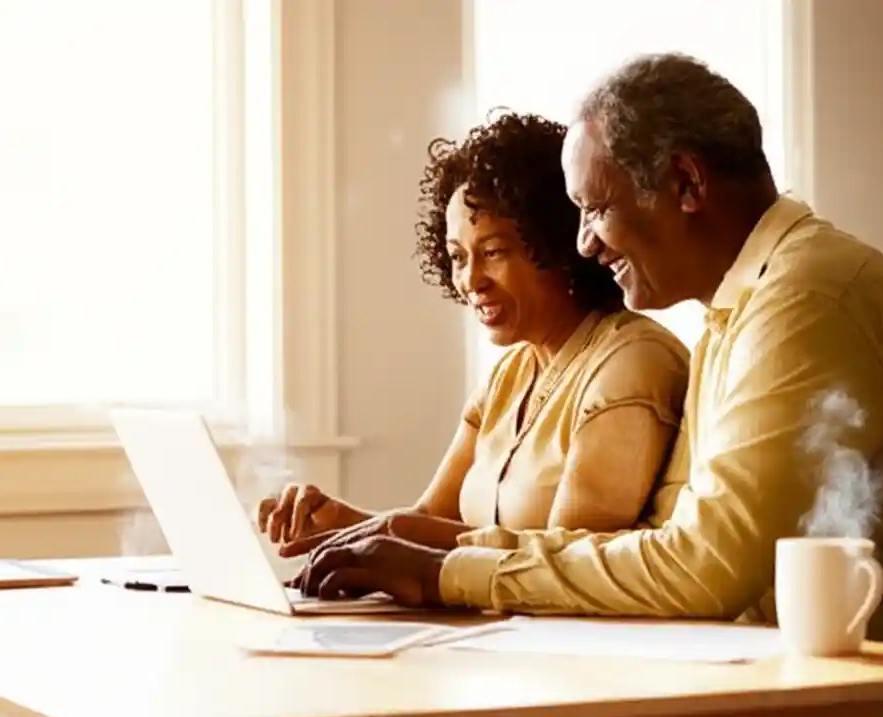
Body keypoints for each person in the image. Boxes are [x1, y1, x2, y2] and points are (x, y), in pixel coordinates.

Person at [284, 55, 883, 717]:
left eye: (596, 209)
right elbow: (668, 538)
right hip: (841, 684)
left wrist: (444, 571)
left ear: (687, 184)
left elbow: (702, 569)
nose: (586, 244)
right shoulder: (743, 309)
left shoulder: (806, 299)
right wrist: (445, 553)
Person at [258, 110, 690, 552]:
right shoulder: (511, 374)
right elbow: (428, 520)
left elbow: (567, 556)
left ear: (557, 244)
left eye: (494, 251)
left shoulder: (634, 360)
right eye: (458, 257)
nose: (471, 280)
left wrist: (384, 536)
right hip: (492, 621)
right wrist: (335, 522)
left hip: (565, 621)